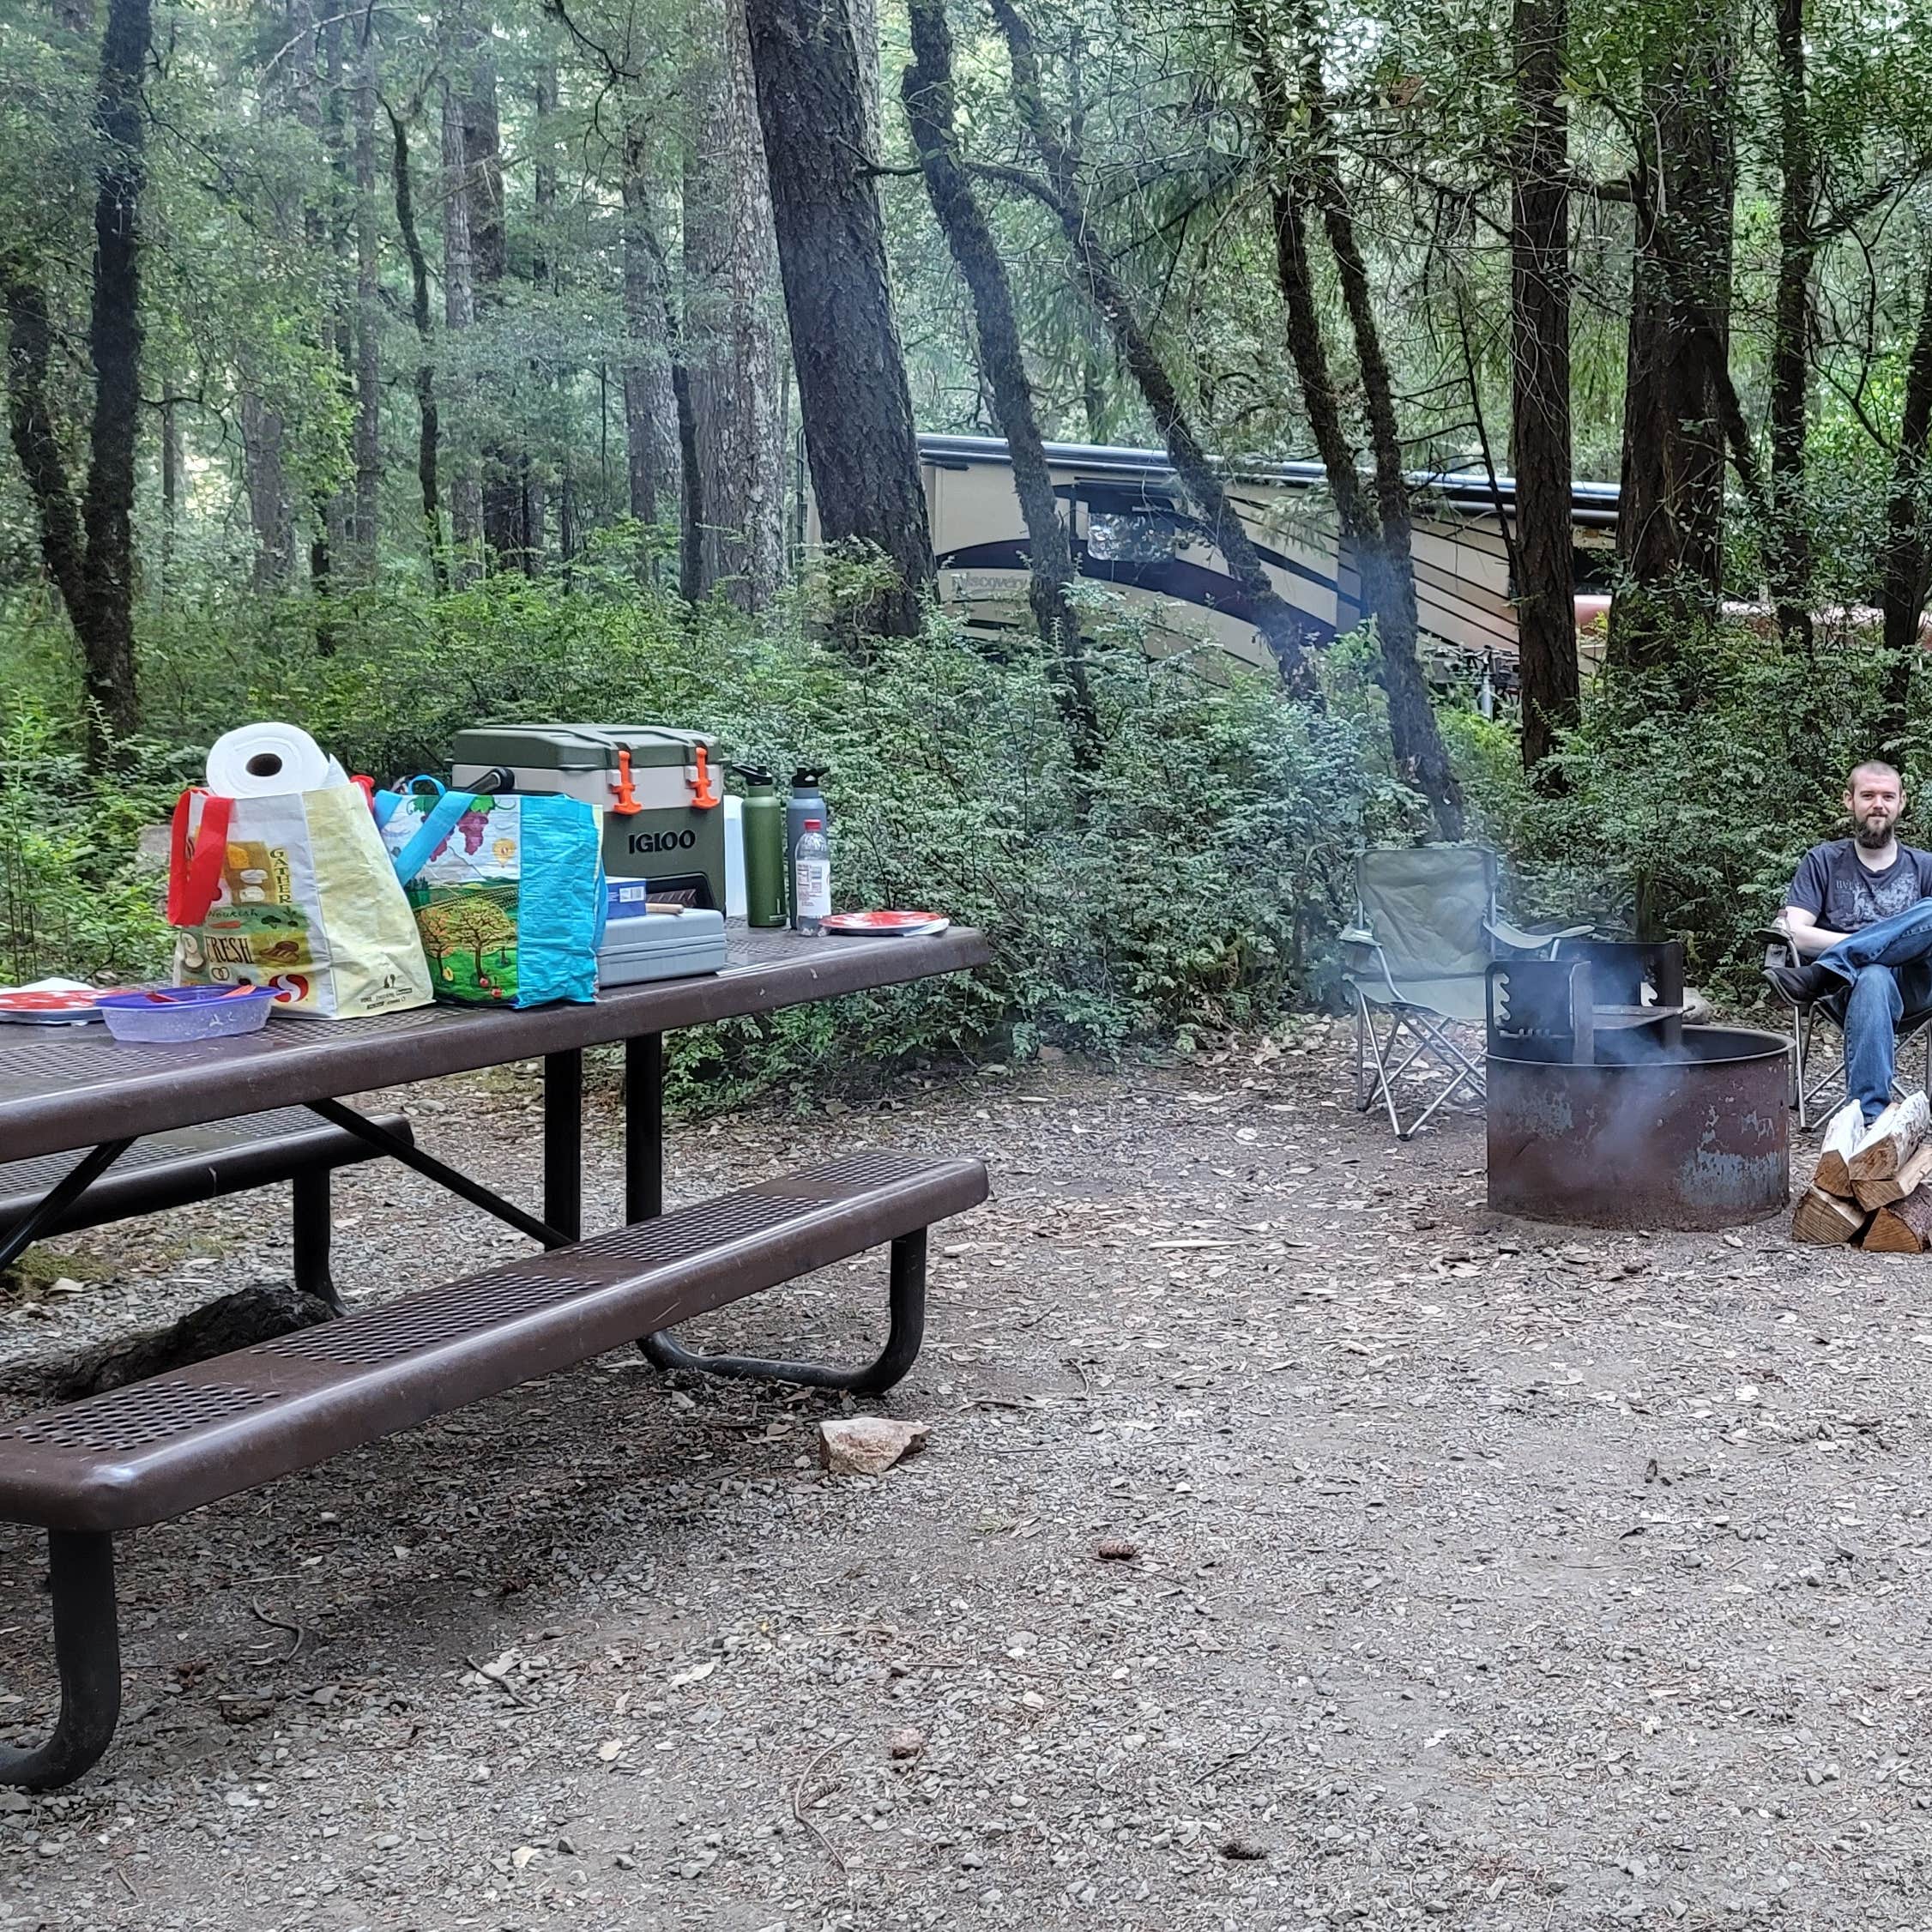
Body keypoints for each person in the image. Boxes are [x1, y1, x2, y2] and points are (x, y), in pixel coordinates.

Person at [1770, 759, 1932, 1120]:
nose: (1879, 805)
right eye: (1868, 795)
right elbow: (1793, 931)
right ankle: (1871, 1121)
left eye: (1888, 796)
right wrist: (1872, 952)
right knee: (1873, 975)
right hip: (1848, 989)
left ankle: (1828, 968)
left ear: (1902, 802)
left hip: (1915, 986)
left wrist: (1842, 950)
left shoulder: (1925, 866)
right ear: (1849, 800)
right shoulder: (1823, 861)